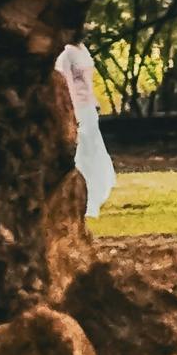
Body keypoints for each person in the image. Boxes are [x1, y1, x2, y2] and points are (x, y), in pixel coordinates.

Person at [56, 33, 116, 221]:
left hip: (89, 108)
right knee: (82, 152)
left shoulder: (83, 50)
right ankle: (82, 199)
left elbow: (87, 82)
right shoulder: (67, 53)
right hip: (78, 108)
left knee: (94, 150)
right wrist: (72, 111)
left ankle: (95, 194)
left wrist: (94, 100)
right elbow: (67, 84)